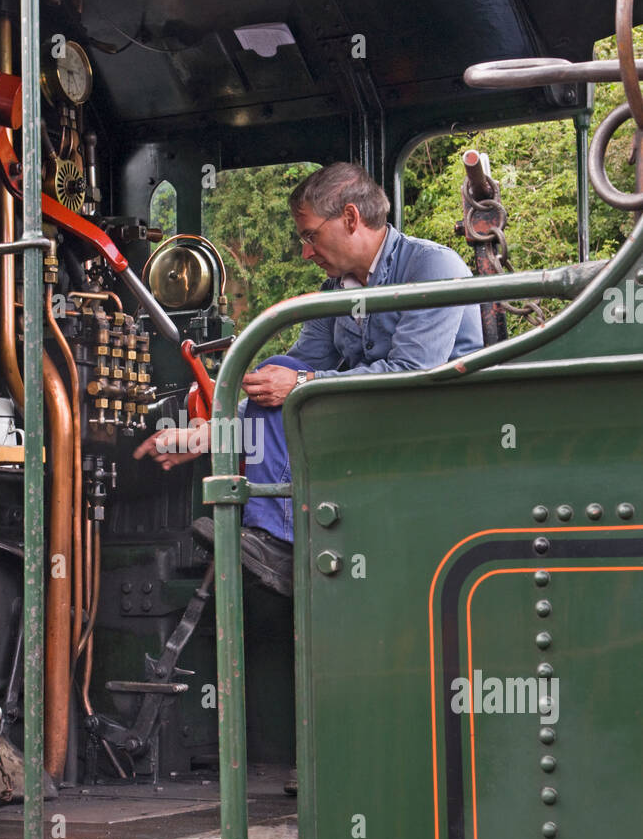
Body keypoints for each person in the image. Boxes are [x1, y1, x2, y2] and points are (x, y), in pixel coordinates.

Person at [134, 162, 484, 594]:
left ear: (351, 219)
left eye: (310, 235)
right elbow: (296, 369)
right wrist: (215, 432)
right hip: (371, 424)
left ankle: (279, 542)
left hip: (434, 428)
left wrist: (300, 385)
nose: (305, 252)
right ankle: (267, 537)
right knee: (278, 370)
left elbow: (411, 375)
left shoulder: (432, 266)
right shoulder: (336, 291)